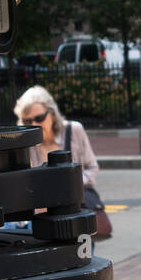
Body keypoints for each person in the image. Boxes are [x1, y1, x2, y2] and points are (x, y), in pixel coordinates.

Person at [13, 86, 105, 233]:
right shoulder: (25, 142)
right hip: (42, 219)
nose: (34, 125)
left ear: (52, 114)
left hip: (76, 213)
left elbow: (92, 167)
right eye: (27, 121)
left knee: (83, 255)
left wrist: (69, 185)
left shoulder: (74, 130)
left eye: (39, 118)